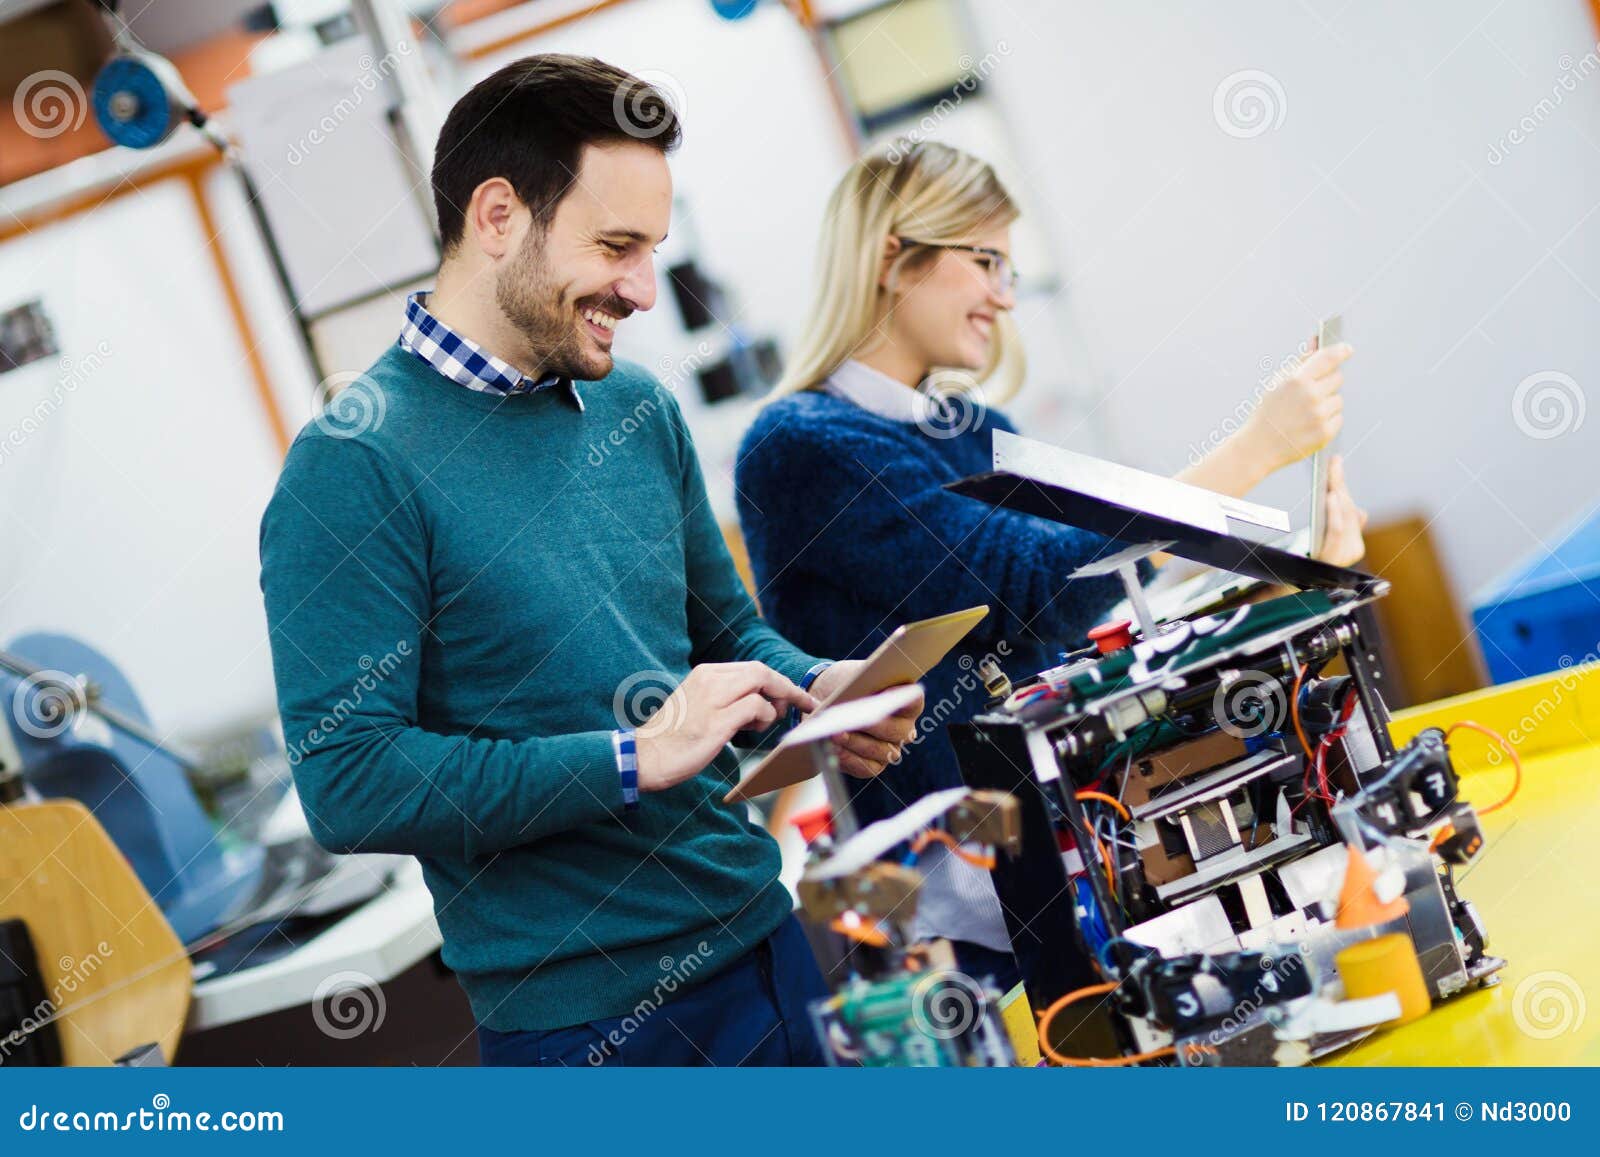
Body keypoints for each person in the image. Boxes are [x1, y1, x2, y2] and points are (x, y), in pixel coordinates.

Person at [258, 55, 922, 1068]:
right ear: (496, 217)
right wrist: (632, 756)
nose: (644, 290)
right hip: (587, 1023)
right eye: (615, 246)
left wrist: (820, 684)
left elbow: (724, 632)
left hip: (765, 940)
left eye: (651, 249)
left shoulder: (637, 408)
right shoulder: (353, 467)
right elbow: (350, 780)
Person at [734, 141, 1366, 990]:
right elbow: (1033, 585)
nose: (1004, 293)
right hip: (964, 901)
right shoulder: (802, 448)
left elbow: (1089, 590)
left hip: (1085, 841)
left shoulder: (970, 424)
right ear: (892, 257)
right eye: (986, 259)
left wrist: (1287, 582)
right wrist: (1255, 451)